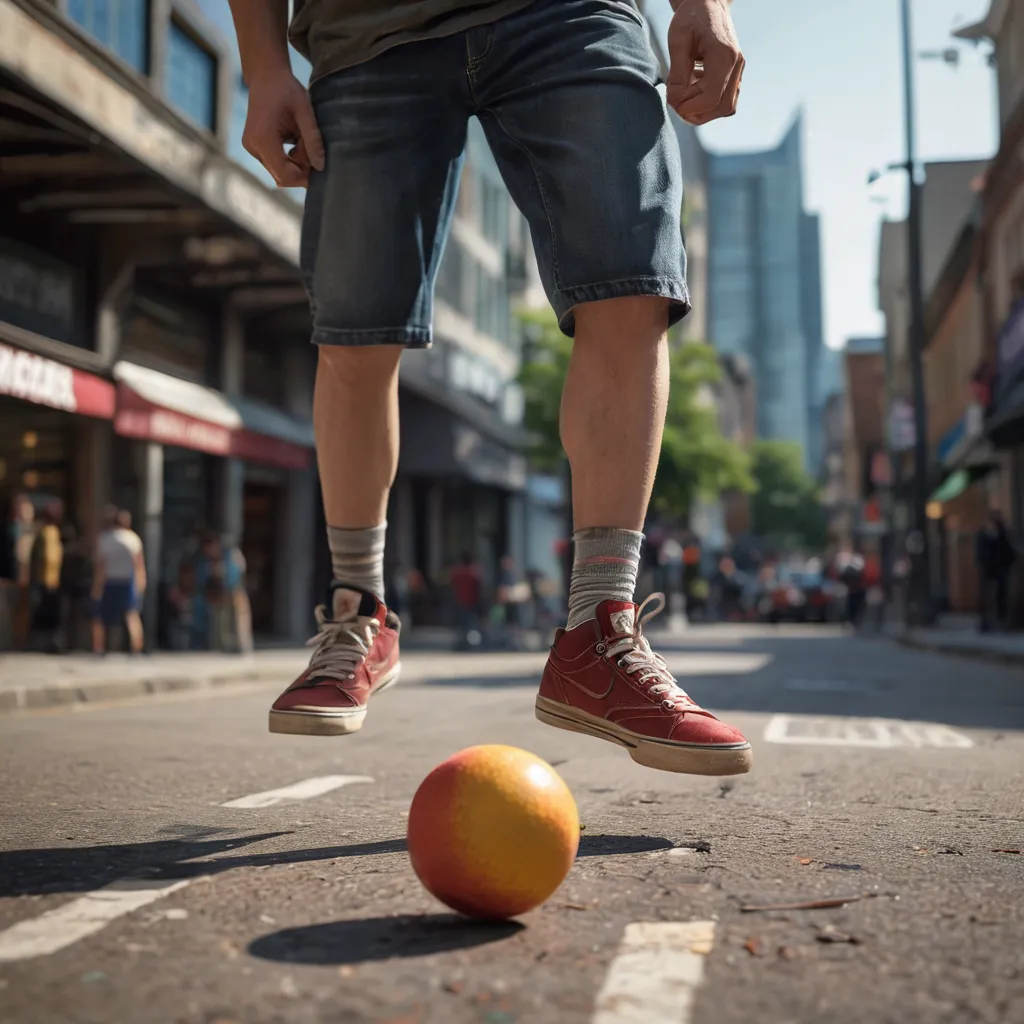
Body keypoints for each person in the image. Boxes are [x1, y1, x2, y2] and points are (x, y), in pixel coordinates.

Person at [237, 0, 752, 773]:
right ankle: (358, 615)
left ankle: (598, 633)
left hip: (573, 15)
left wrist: (704, 5)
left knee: (632, 285)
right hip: (364, 32)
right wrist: (265, 67)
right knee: (354, 330)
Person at [91, 508, 146, 655]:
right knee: (131, 614)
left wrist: (97, 587)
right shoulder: (133, 539)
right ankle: (136, 647)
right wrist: (141, 582)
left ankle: (99, 647)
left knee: (101, 617)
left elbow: (101, 566)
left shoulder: (105, 539)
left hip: (110, 581)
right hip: (127, 581)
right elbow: (139, 564)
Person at [28, 500, 64, 652]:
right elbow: (49, 557)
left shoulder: (46, 531)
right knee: (46, 614)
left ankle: (45, 643)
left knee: (44, 614)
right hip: (48, 580)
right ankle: (46, 644)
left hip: (46, 579)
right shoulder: (49, 532)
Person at [976, 510, 1017, 632]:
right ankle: (986, 623)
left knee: (1001, 596)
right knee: (987, 597)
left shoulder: (1003, 533)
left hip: (1000, 569)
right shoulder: (984, 534)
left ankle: (1000, 621)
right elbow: (981, 551)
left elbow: (1009, 551)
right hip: (989, 569)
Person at [449, 551, 483, 650]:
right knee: (470, 625)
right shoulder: (473, 573)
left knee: (461, 626)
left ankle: (461, 644)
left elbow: (452, 585)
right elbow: (478, 588)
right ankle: (470, 644)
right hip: (471, 602)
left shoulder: (457, 573)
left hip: (459, 602)